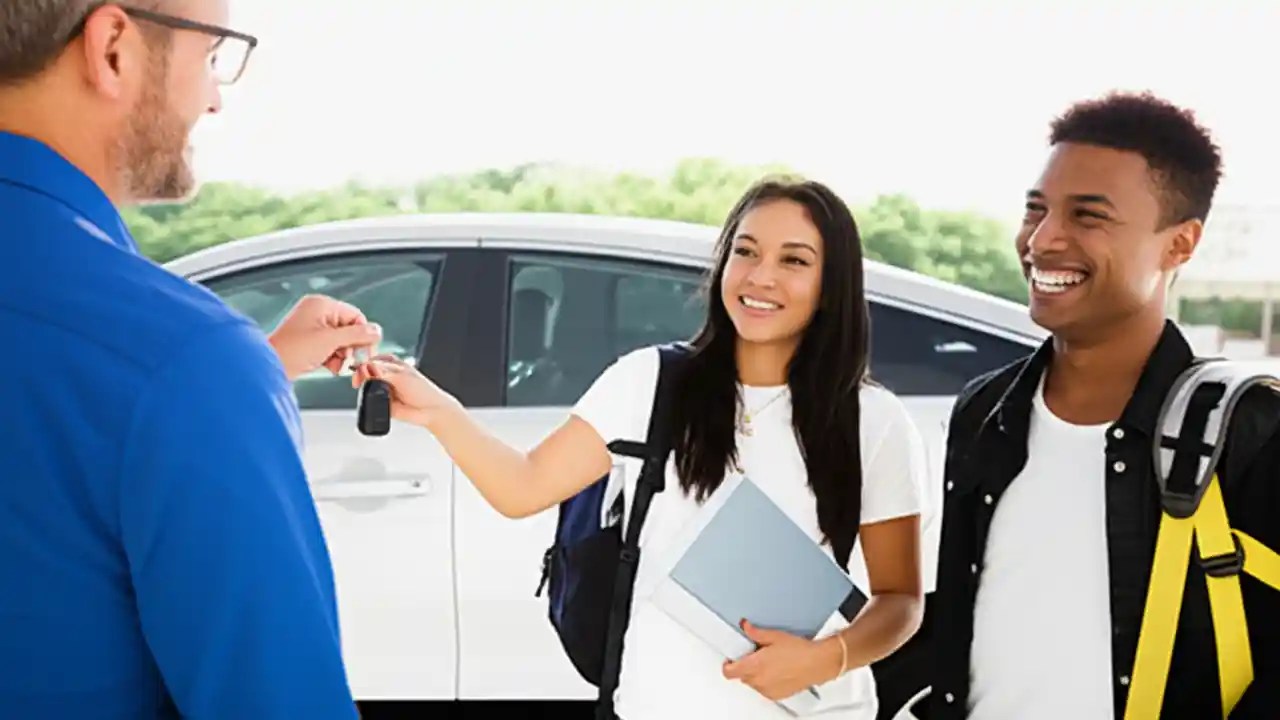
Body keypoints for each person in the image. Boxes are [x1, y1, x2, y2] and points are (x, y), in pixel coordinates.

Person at [355, 177, 929, 719]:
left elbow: (900, 600)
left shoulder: (872, 420)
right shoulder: (649, 382)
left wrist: (827, 658)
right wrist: (439, 413)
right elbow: (522, 487)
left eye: (794, 261)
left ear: (832, 285)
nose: (761, 277)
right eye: (746, 252)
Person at [1, 1, 372, 717]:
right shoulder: (184, 362)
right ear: (113, 48)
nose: (214, 99)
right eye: (211, 54)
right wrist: (216, 383)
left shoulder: (170, 371)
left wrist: (235, 377)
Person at [925, 91, 1280, 719]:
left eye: (1088, 216)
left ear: (1180, 244)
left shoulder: (1251, 432)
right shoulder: (984, 411)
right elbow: (958, 625)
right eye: (1035, 209)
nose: (1043, 239)